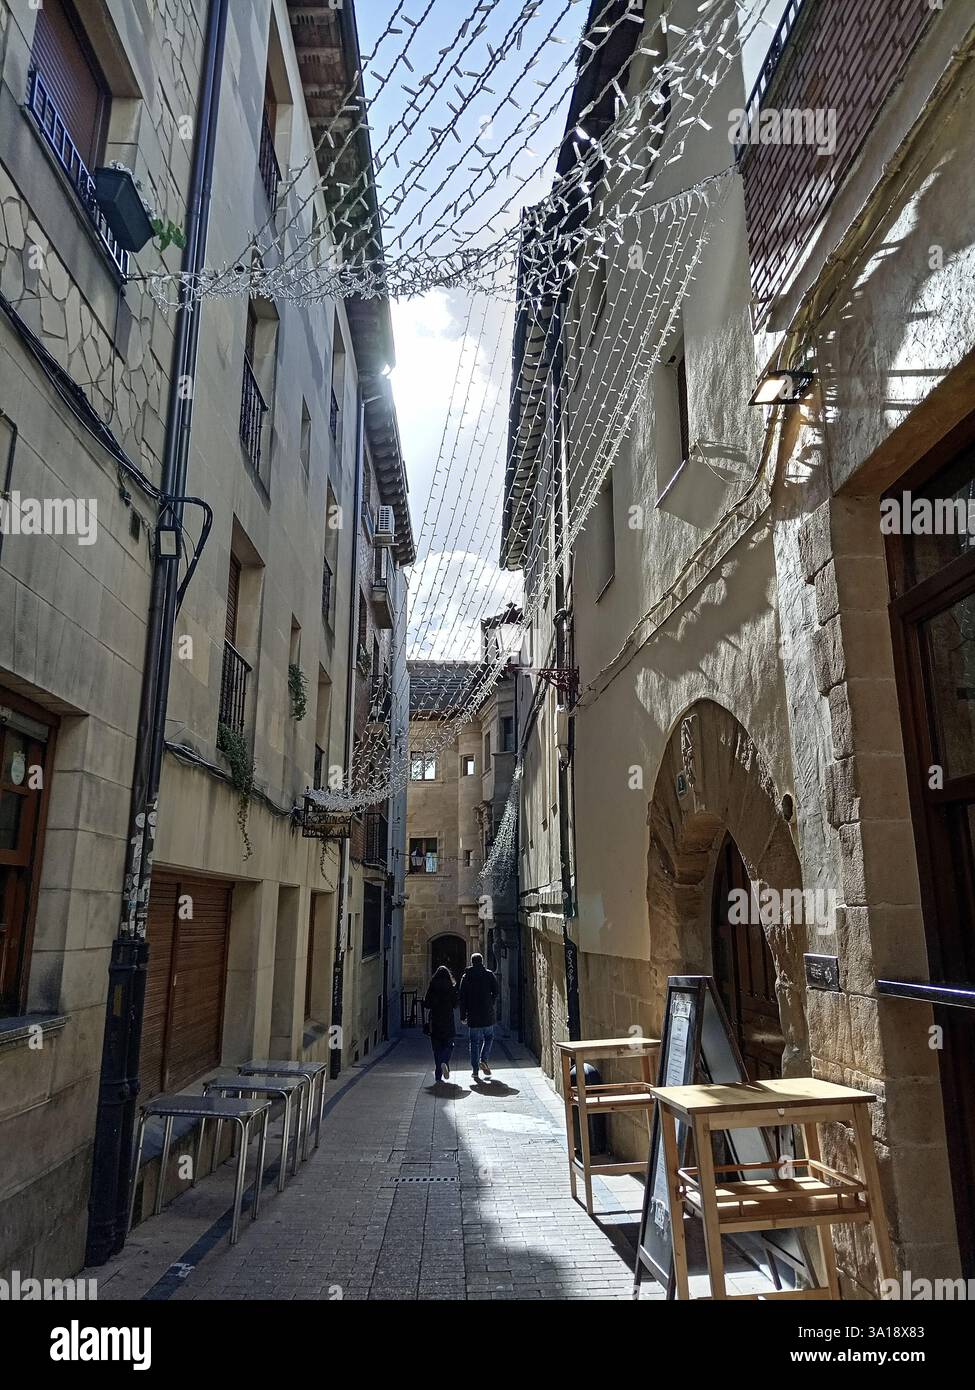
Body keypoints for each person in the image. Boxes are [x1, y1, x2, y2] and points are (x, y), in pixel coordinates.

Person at [458, 952, 499, 1083]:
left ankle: (475, 1071)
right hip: (487, 1013)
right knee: (489, 1037)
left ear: (472, 962)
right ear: (482, 961)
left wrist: (462, 1015)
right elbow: (496, 990)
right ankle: (484, 1060)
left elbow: (462, 997)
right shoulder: (489, 974)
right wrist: (490, 1002)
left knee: (474, 1042)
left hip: (473, 1014)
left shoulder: (466, 977)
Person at [423, 964, 458, 1083]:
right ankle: (445, 1061)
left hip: (435, 1019)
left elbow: (427, 1003)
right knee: (449, 1044)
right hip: (448, 1018)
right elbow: (455, 1004)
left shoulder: (432, 986)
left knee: (437, 1047)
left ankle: (438, 1074)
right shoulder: (451, 986)